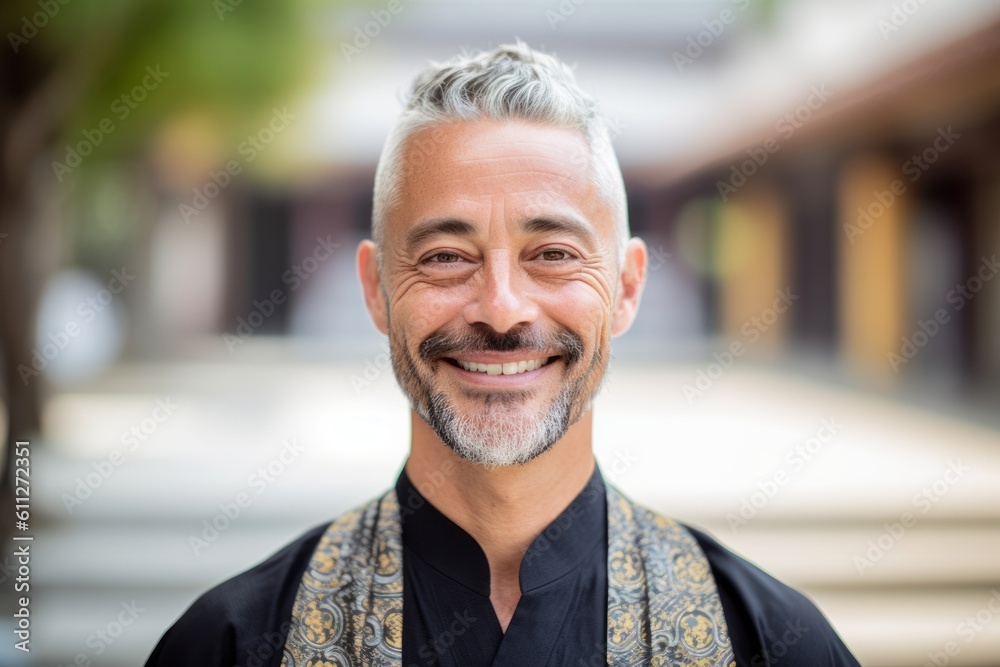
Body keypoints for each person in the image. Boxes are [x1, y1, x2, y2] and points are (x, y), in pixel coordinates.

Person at [146, 42, 861, 667]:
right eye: (447, 256)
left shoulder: (770, 642)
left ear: (626, 287)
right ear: (376, 288)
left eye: (552, 254)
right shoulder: (235, 643)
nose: (501, 308)